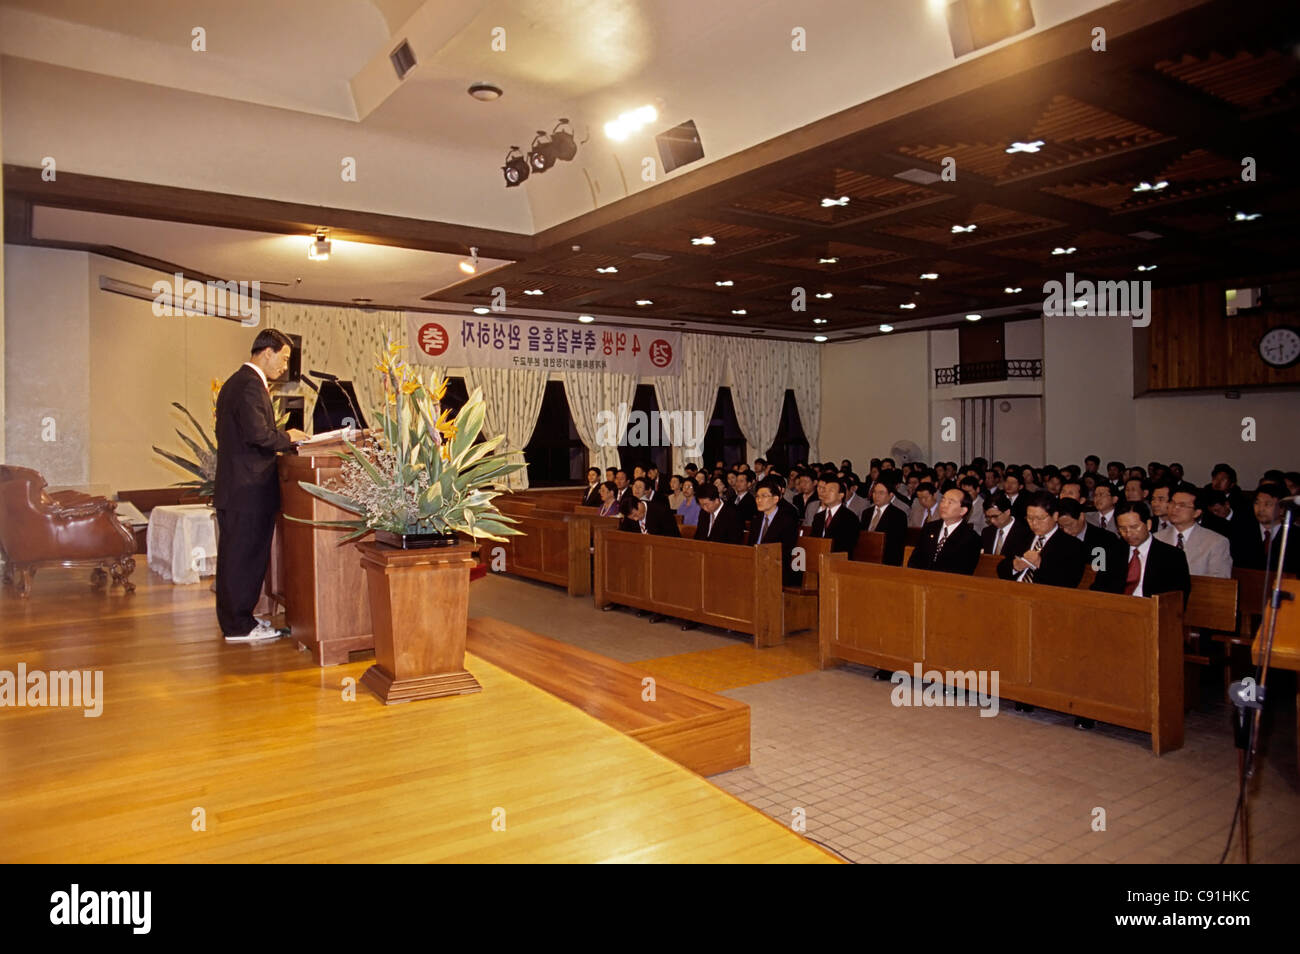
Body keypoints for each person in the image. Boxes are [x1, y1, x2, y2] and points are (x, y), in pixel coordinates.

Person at [214, 328, 308, 643]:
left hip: (238, 488)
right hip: (248, 489)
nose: (284, 367)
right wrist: (289, 437)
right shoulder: (249, 385)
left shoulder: (237, 383)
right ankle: (239, 626)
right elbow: (259, 435)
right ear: (267, 352)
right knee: (243, 557)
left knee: (237, 557)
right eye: (283, 359)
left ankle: (238, 619)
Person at [997, 492, 1085, 588]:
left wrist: (1040, 564)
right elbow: (1001, 568)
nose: (1034, 523)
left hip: (1044, 596)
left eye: (1040, 518)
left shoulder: (1072, 545)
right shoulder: (1021, 535)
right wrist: (1015, 566)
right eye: (1029, 518)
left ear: (1055, 516)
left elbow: (1068, 582)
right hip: (1014, 590)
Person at [1156, 484, 1232, 578]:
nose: (1175, 508)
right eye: (1172, 503)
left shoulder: (1216, 542)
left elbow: (1219, 583)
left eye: (1182, 505)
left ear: (1197, 513)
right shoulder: (1157, 538)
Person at [1056, 497, 1127, 594]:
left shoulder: (1104, 540)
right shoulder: (1058, 539)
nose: (1066, 531)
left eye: (1070, 525)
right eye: (1061, 526)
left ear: (1081, 517)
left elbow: (1104, 576)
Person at [907, 488, 981, 574]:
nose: (943, 505)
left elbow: (963, 570)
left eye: (950, 502)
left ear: (963, 510)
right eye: (943, 500)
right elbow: (915, 559)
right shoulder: (929, 528)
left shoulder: (971, 537)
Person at [749, 478, 802, 587]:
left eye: (764, 496)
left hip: (777, 566)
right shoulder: (756, 520)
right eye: (757, 496)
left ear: (776, 499)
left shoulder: (787, 521)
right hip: (756, 564)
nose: (759, 500)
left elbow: (787, 551)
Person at [809, 476, 860, 555]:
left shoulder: (850, 517)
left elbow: (847, 546)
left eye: (831, 491)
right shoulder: (818, 517)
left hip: (838, 561)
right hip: (817, 557)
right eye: (825, 490)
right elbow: (813, 541)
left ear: (841, 495)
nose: (825, 493)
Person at [862, 479, 907, 566]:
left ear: (891, 495)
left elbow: (897, 543)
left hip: (886, 560)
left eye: (881, 493)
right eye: (874, 492)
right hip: (865, 556)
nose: (876, 496)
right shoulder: (866, 513)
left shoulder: (898, 515)